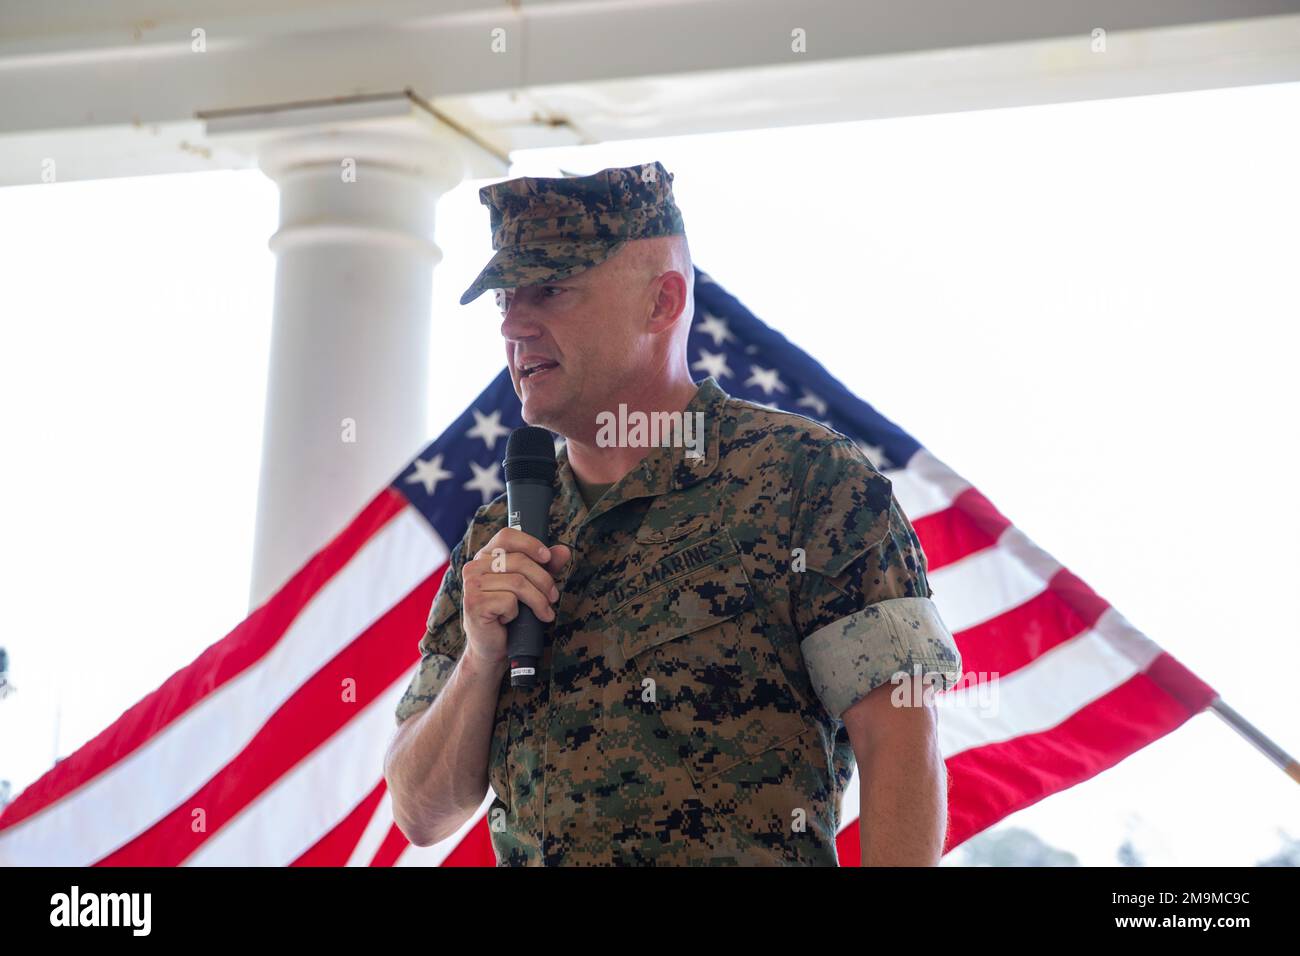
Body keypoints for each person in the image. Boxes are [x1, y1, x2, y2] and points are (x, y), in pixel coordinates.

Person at [383, 160, 963, 865]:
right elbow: (420, 814)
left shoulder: (802, 479)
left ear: (662, 302)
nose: (514, 323)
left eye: (552, 291)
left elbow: (900, 739)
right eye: (507, 297)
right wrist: (482, 657)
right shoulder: (496, 539)